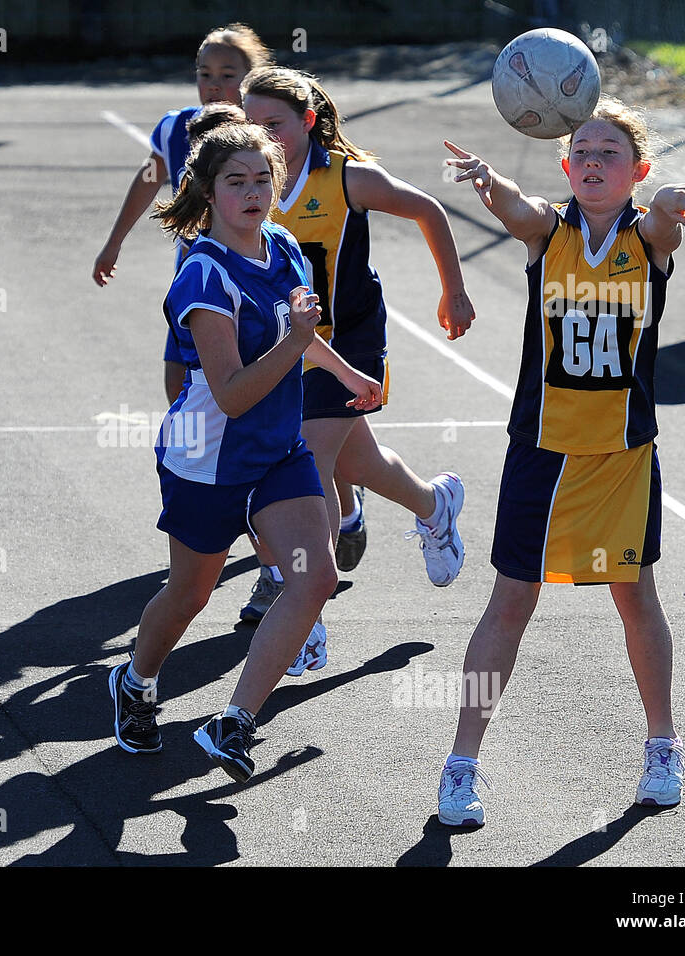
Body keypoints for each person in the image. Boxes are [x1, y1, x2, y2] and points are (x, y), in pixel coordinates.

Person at [437, 97, 685, 826]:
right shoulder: (550, 230)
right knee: (510, 602)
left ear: (636, 170)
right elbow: (517, 210)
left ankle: (663, 743)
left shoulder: (649, 237)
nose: (593, 163)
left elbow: (665, 223)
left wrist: (666, 200)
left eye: (609, 154)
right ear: (566, 166)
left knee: (635, 597)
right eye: (583, 153)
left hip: (621, 455)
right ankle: (461, 763)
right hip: (543, 451)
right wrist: (487, 180)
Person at [109, 122, 381, 782]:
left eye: (264, 179)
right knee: (189, 595)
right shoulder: (204, 276)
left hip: (278, 451)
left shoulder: (284, 247)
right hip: (207, 459)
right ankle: (137, 682)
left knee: (314, 578)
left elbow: (301, 335)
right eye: (236, 182)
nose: (253, 192)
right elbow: (230, 393)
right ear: (208, 192)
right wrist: (295, 344)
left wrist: (346, 373)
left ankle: (235, 723)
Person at [239, 68, 476, 672]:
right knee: (356, 461)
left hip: (347, 345)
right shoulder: (246, 184)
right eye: (251, 124)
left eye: (275, 125)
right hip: (287, 350)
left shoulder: (345, 177)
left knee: (305, 469)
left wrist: (453, 290)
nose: (262, 135)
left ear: (308, 122)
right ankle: (433, 504)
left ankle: (305, 619)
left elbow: (427, 208)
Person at [92, 23, 272, 404]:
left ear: (249, 79)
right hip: (195, 271)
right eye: (204, 74)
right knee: (179, 380)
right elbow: (147, 180)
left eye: (227, 76)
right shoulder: (177, 127)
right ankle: (188, 456)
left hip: (252, 274)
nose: (213, 85)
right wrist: (114, 243)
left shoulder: (261, 132)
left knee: (248, 380)